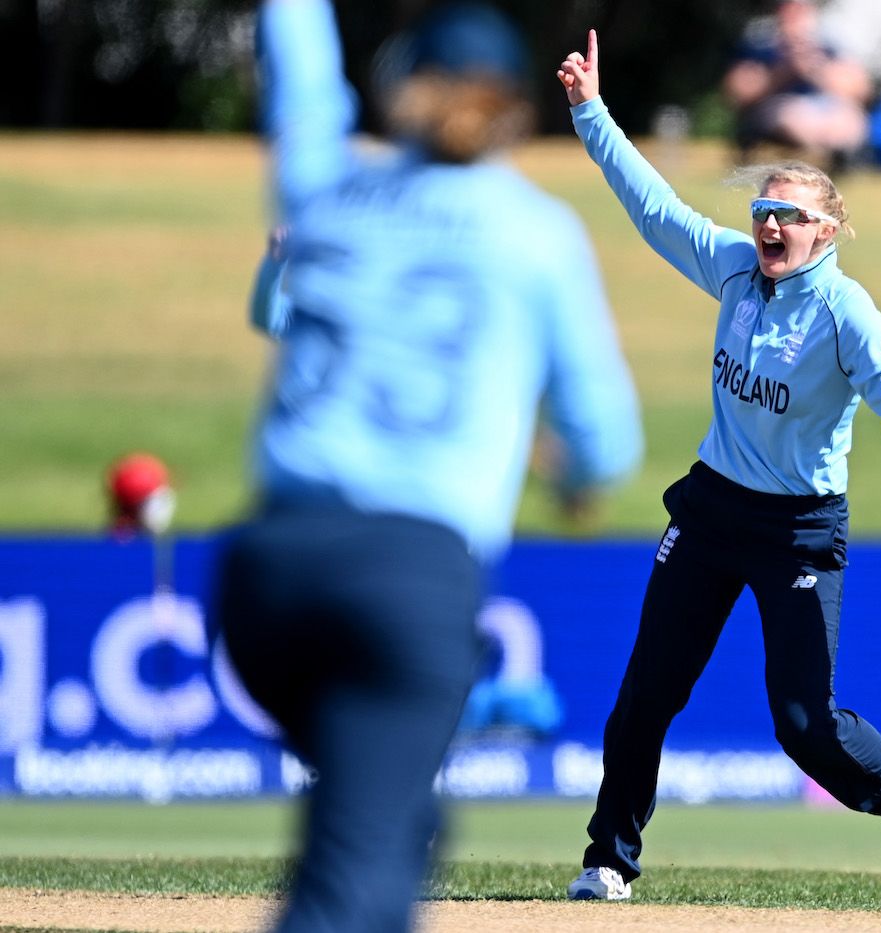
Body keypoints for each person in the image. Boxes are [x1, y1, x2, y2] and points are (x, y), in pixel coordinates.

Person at [556, 30, 881, 902]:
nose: (769, 226)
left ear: (827, 230)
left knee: (802, 724)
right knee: (644, 697)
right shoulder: (736, 273)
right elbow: (652, 208)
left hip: (798, 529)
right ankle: (609, 857)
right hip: (712, 510)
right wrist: (591, 112)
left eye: (788, 216)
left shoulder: (847, 315)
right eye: (761, 213)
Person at [215, 3, 642, 931]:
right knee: (351, 879)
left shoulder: (328, 190)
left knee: (403, 822)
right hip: (404, 587)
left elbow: (300, 91)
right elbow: (607, 441)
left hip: (264, 573)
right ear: (514, 107)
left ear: (402, 87)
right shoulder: (536, 233)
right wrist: (573, 479)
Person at [722, 0, 872, 169]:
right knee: (791, 117)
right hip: (777, 108)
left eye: (801, 10)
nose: (795, 16)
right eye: (789, 9)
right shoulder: (760, 45)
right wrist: (782, 72)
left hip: (825, 108)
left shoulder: (829, 46)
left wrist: (815, 69)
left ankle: (836, 152)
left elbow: (860, 89)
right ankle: (821, 151)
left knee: (849, 118)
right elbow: (737, 92)